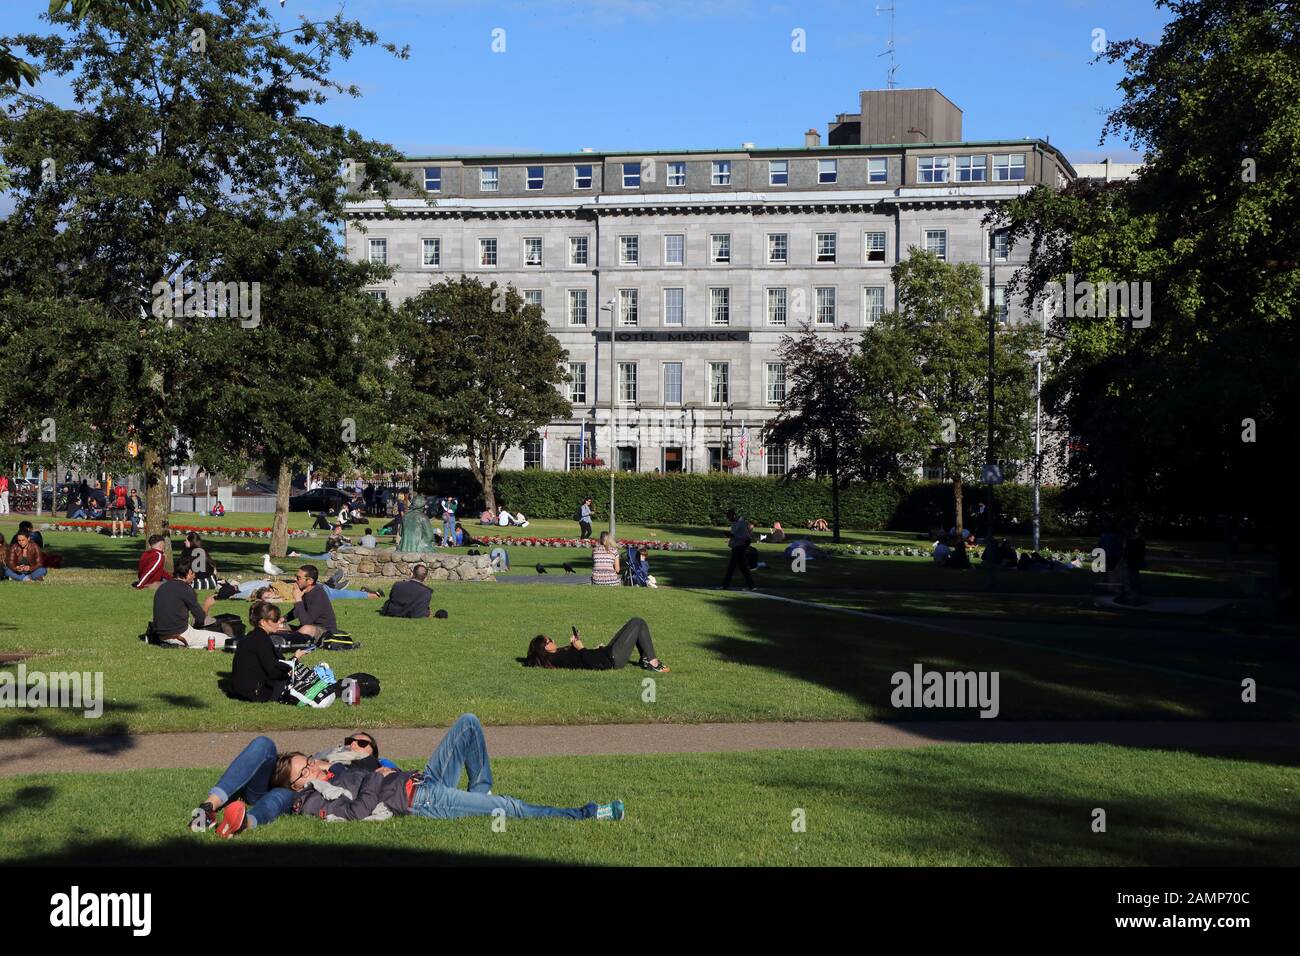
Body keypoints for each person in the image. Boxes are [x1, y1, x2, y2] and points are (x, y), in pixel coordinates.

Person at [246, 715, 623, 831]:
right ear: (296, 785)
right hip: (420, 799)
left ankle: (481, 792)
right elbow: (358, 811)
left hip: (422, 779)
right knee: (509, 808)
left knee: (469, 723)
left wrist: (334, 761)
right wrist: (377, 775)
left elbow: (357, 752)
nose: (311, 765)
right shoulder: (313, 801)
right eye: (304, 769)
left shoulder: (330, 768)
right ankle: (587, 812)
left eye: (307, 759)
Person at [231, 601, 310, 702]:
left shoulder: (251, 636)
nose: (279, 622)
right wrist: (292, 664)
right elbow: (274, 672)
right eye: (275, 620)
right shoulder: (262, 640)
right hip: (255, 693)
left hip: (240, 690)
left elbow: (270, 664)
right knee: (301, 679)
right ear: (263, 622)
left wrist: (294, 659)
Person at [524, 618, 669, 672]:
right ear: (545, 648)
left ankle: (646, 659)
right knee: (637, 623)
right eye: (550, 640)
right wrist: (580, 648)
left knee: (636, 622)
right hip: (611, 659)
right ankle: (652, 663)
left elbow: (582, 659)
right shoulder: (557, 659)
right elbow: (590, 663)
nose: (553, 641)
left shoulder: (558, 655)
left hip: (605, 653)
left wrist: (584, 647)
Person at [151, 555, 225, 647]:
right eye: (194, 573)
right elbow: (200, 620)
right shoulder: (186, 589)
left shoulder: (162, 587)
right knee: (225, 639)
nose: (195, 576)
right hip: (179, 635)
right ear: (189, 572)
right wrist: (207, 605)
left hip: (160, 635)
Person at [286, 565, 336, 639]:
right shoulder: (304, 590)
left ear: (310, 581)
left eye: (298, 578)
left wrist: (298, 599)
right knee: (278, 625)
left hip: (324, 631)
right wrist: (283, 619)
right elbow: (298, 611)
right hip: (307, 627)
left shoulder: (319, 595)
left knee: (306, 629)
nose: (295, 580)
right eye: (296, 576)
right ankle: (289, 636)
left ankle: (290, 638)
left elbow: (305, 622)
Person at [721, 508, 755, 591]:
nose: (729, 519)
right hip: (736, 546)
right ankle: (751, 585)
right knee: (743, 568)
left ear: (733, 515)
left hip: (740, 546)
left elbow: (746, 537)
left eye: (729, 517)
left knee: (731, 567)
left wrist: (732, 536)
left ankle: (725, 585)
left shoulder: (742, 523)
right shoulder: (734, 523)